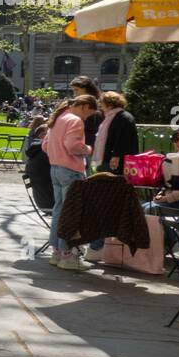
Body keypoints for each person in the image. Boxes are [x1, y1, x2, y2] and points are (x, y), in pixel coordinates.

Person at [44, 94, 99, 270]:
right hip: (71, 170)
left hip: (55, 168)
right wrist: (88, 149)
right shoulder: (75, 120)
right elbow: (73, 146)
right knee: (71, 214)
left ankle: (57, 253)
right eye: (89, 114)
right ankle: (68, 255)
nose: (87, 118)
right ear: (84, 106)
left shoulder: (58, 118)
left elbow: (45, 145)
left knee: (59, 210)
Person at [94, 92, 138, 176]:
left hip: (115, 161)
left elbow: (122, 139)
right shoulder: (113, 116)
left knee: (112, 185)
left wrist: (116, 155)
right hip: (109, 158)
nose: (101, 108)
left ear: (110, 105)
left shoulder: (122, 118)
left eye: (102, 105)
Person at [69, 76, 103, 171]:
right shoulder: (79, 104)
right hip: (82, 147)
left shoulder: (96, 106)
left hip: (90, 147)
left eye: (76, 90)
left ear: (86, 89)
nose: (75, 94)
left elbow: (94, 127)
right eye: (73, 91)